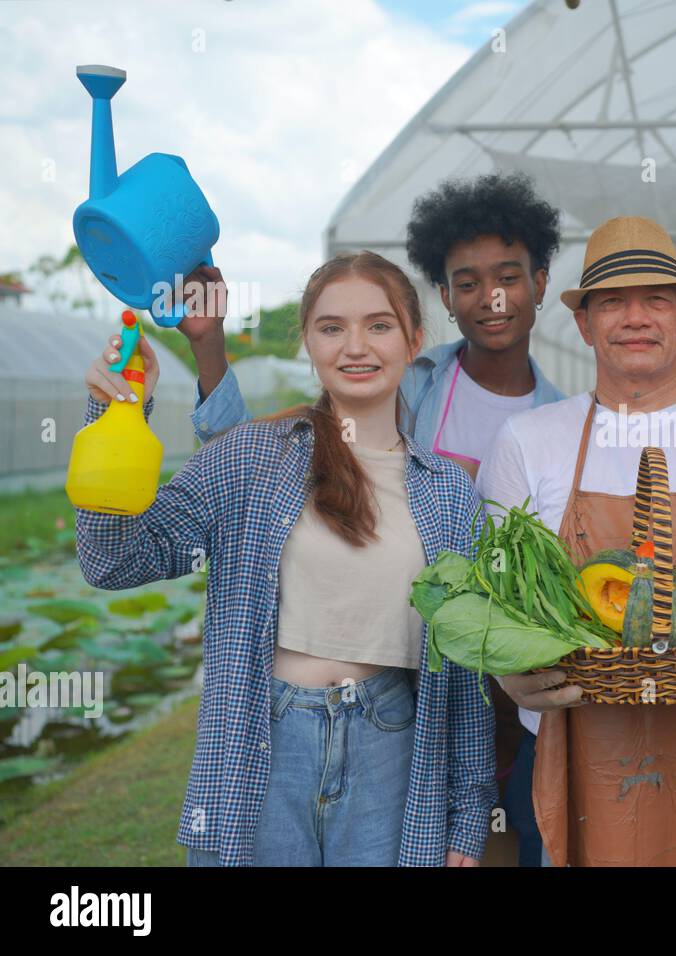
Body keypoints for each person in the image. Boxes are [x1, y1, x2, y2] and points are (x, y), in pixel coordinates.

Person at [179, 172, 566, 866]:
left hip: (474, 685)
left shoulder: (562, 421)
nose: (493, 298)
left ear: (539, 283)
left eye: (508, 278)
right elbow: (252, 477)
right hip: (353, 694)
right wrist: (207, 349)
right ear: (443, 305)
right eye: (468, 282)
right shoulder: (406, 379)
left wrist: (464, 819)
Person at [76, 252, 495, 866]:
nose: (356, 346)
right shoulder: (252, 458)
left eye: (379, 325)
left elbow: (466, 673)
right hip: (264, 742)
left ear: (415, 340)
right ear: (308, 342)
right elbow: (113, 560)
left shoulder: (451, 496)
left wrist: (465, 823)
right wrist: (116, 411)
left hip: (391, 751)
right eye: (332, 327)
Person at [478, 215, 676, 866]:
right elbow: (494, 603)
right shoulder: (528, 440)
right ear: (584, 323)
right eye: (612, 302)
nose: (635, 317)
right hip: (576, 753)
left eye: (656, 299)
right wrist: (509, 676)